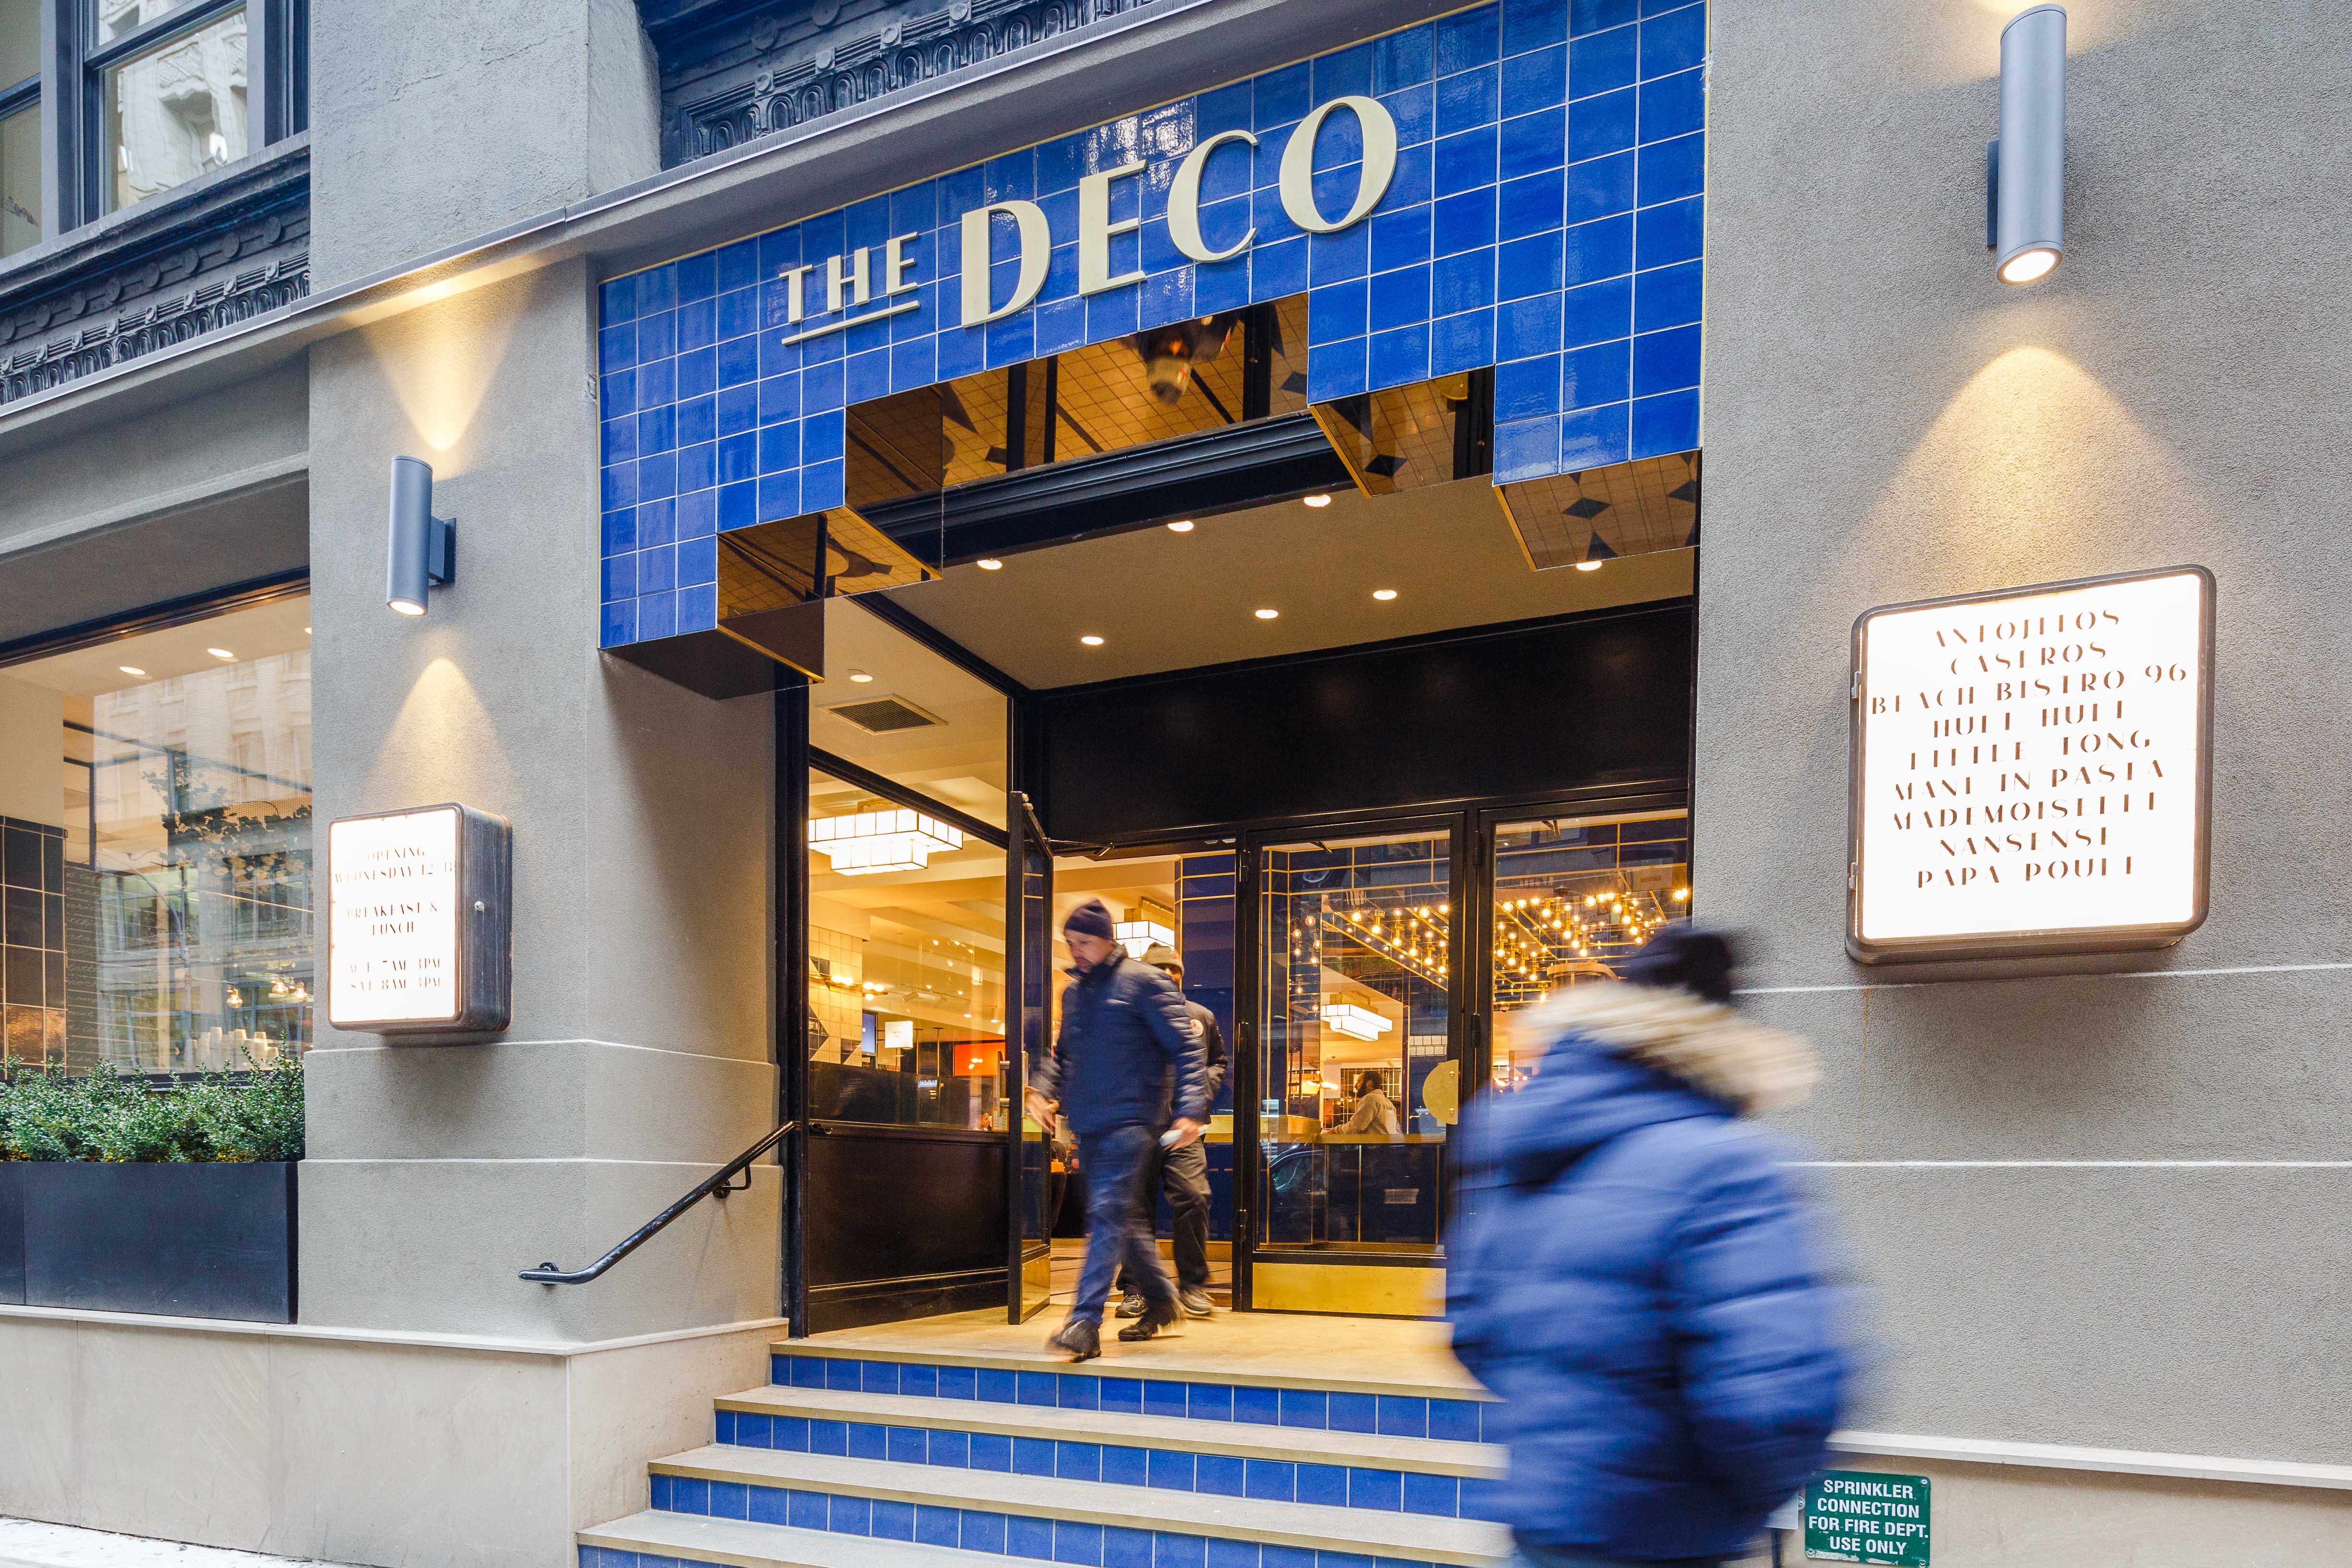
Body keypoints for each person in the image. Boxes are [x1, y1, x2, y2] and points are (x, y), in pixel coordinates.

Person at [1446, 924, 1852, 1568]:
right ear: (1725, 1039)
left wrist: (1569, 1417)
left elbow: (1471, 1327)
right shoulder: (1730, 1164)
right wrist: (1732, 1507)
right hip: (1668, 1541)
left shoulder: (1528, 1147)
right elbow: (1778, 1401)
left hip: (1540, 1531)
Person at [1027, 899, 1208, 1362]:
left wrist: (1190, 1110)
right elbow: (1063, 1054)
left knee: (1107, 1211)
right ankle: (1163, 1298)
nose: (1076, 951)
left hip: (1134, 1119)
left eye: (1084, 942)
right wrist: (1041, 1091)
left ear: (1109, 939)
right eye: (1070, 943)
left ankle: (1084, 1322)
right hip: (1088, 1123)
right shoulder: (1076, 994)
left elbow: (1188, 1050)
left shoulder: (1146, 982)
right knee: (1121, 1217)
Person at [1115, 943, 1227, 1320]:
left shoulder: (1201, 1017)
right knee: (1137, 1208)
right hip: (1140, 1129)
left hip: (1185, 1131)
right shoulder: (1131, 1018)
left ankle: (1193, 1284)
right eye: (1160, 968)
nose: (1169, 974)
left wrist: (1201, 1099)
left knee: (1195, 1197)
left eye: (1174, 969)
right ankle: (1136, 1289)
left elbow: (1217, 1062)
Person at [1345, 1069, 1400, 1134]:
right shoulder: (1388, 1103)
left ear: (1369, 1084)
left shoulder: (1370, 1099)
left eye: (1359, 1082)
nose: (1356, 1086)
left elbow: (1357, 1126)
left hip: (1374, 1144)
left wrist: (1336, 1131)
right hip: (1387, 1143)